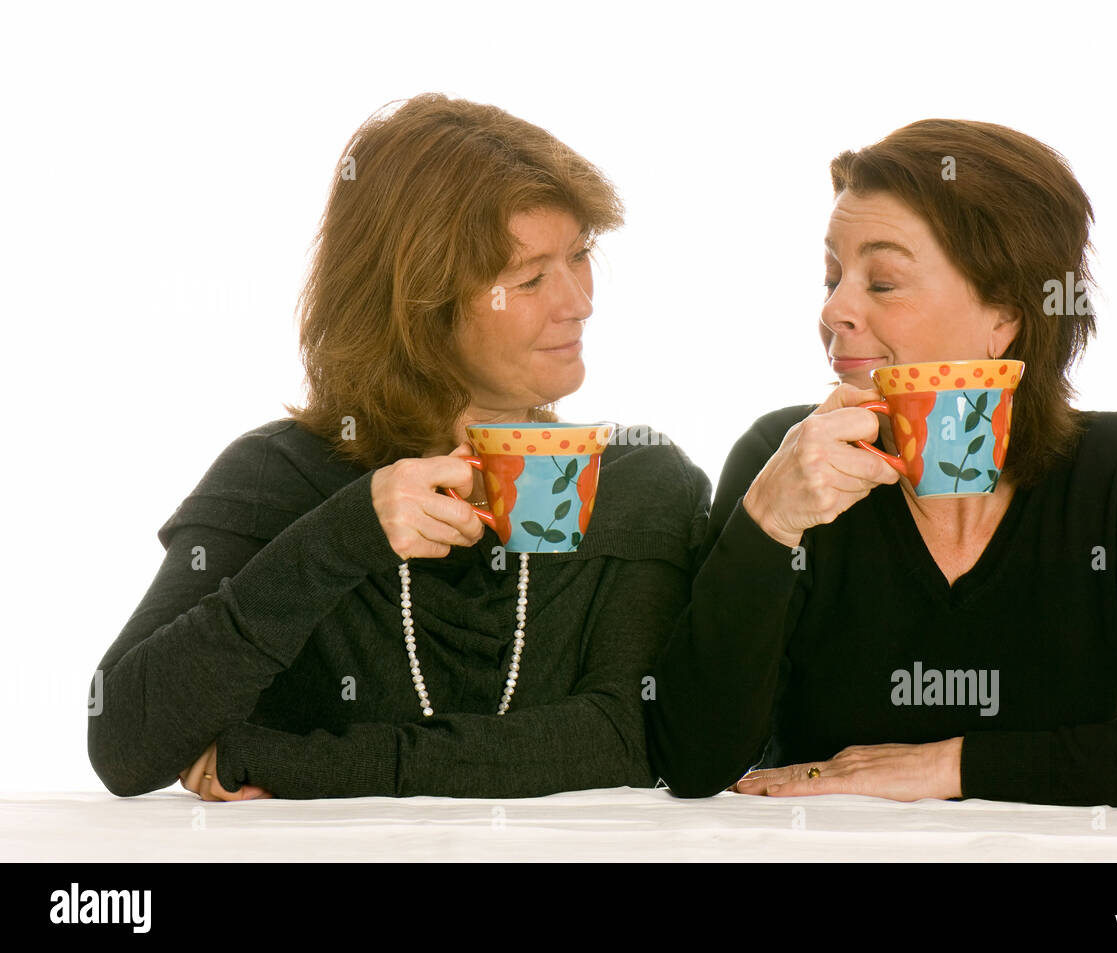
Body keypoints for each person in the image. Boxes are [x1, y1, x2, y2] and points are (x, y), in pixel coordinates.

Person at [88, 94, 710, 801]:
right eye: (531, 277)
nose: (579, 301)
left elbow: (624, 738)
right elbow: (123, 743)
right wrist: (346, 534)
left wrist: (293, 762)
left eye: (581, 255)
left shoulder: (639, 479)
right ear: (417, 305)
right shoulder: (279, 475)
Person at [645, 119, 1117, 809]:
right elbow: (694, 762)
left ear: (1004, 316)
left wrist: (948, 766)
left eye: (882, 281)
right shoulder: (781, 459)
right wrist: (767, 521)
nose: (834, 308)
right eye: (832, 275)